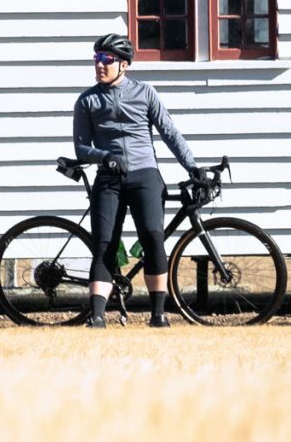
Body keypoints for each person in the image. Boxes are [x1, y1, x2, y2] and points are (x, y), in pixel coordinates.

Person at [59, 32, 196, 328]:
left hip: (145, 173)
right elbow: (81, 147)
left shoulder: (145, 92)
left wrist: (192, 167)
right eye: (97, 58)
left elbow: (169, 133)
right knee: (105, 244)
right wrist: (103, 156)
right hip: (109, 177)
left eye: (107, 59)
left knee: (152, 237)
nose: (100, 65)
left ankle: (158, 314)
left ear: (124, 65)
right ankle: (97, 316)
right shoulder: (87, 101)